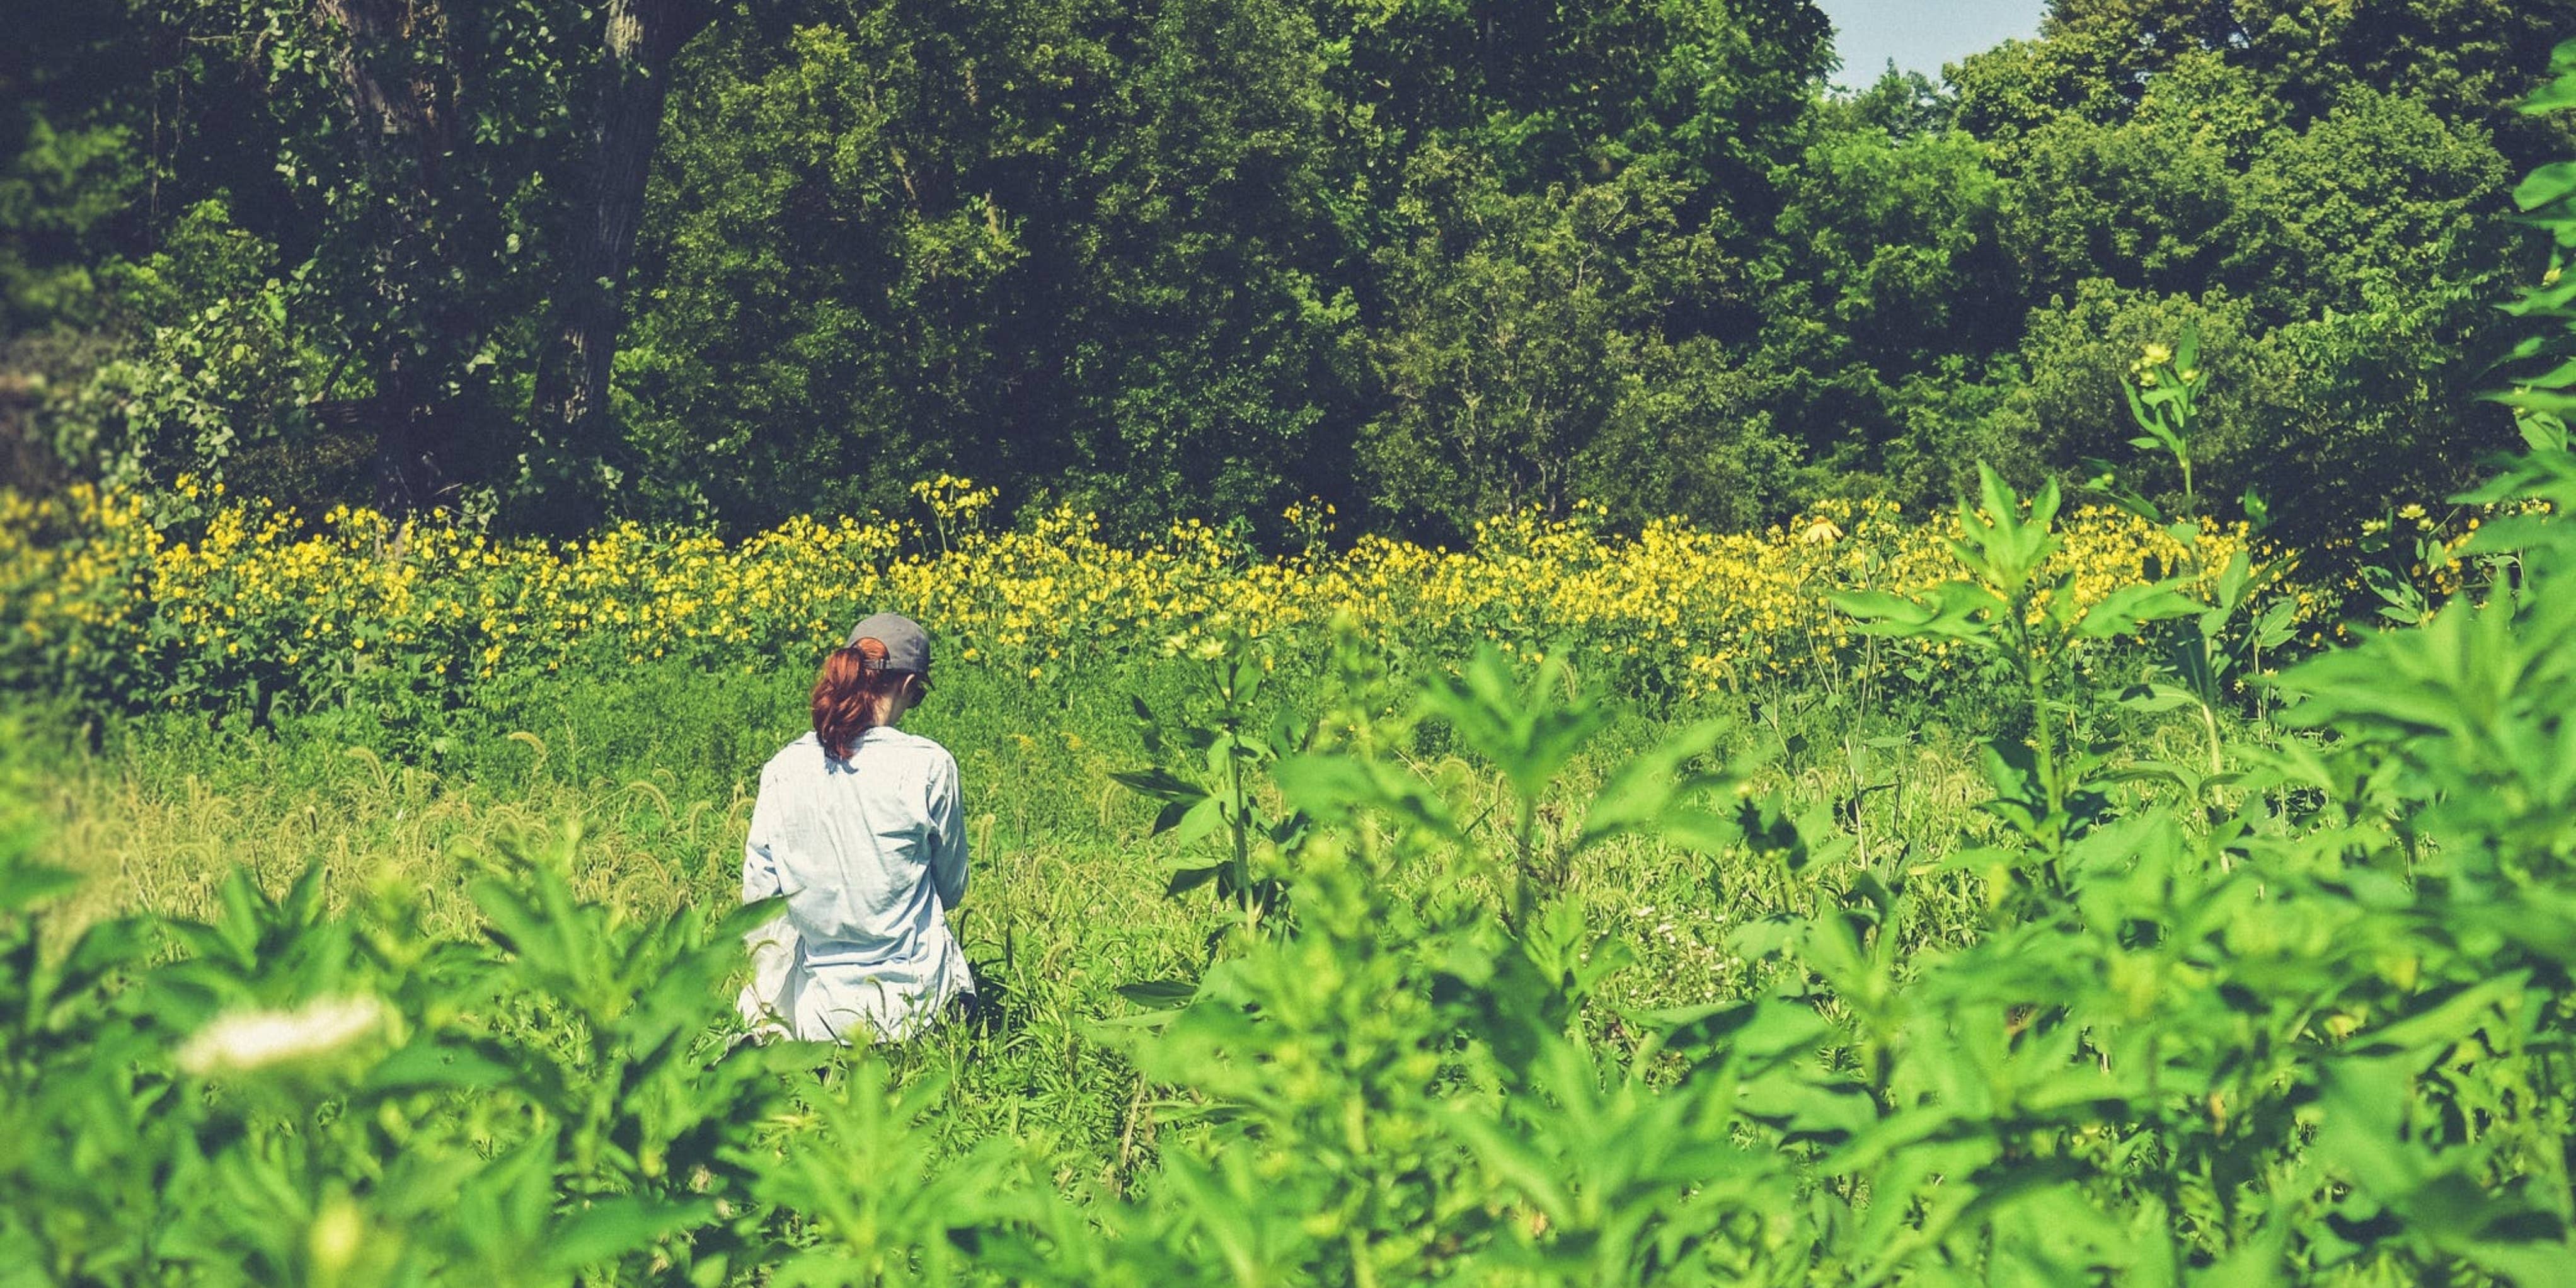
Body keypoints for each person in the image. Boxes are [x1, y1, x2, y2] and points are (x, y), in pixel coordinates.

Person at [736, 611, 973, 1043]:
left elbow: (760, 899)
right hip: (913, 1015)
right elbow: (951, 889)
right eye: (917, 696)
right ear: (906, 686)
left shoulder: (782, 770)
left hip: (815, 1018)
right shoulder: (928, 767)